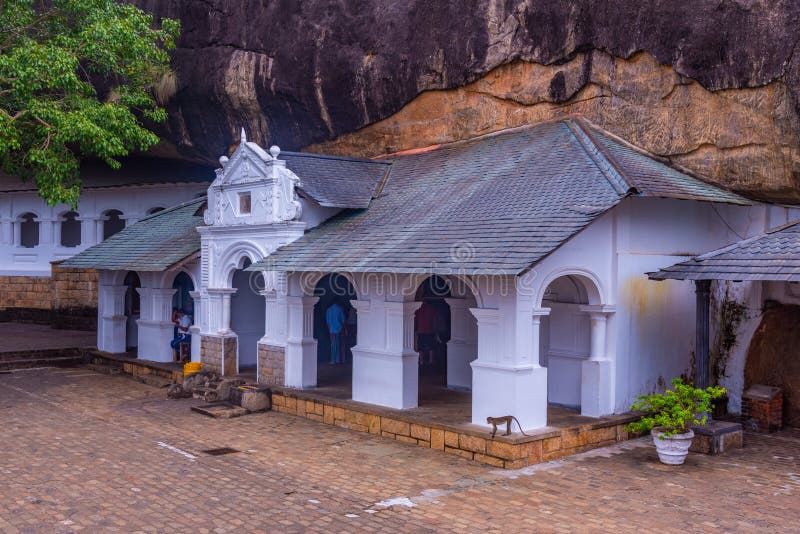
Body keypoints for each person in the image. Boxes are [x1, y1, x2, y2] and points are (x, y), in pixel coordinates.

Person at [415, 299, 436, 365]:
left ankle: (421, 361)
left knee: (420, 346)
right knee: (431, 346)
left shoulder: (418, 308)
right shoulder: (431, 308)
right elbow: (434, 318)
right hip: (429, 330)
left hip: (420, 330)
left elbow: (415, 317)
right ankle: (431, 360)